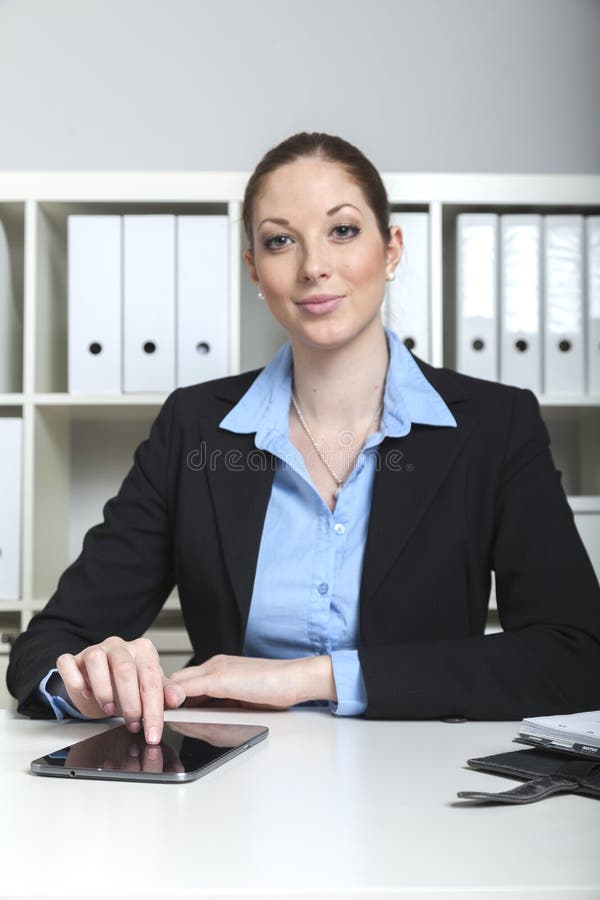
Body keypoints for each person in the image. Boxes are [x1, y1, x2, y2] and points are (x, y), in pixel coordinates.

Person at [7, 132, 600, 747]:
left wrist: (310, 678)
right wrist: (80, 680)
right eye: (280, 240)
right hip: (230, 790)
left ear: (391, 249)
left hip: (419, 780)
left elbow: (576, 655)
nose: (314, 265)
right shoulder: (195, 426)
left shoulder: (494, 427)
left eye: (342, 230)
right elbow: (45, 647)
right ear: (254, 271)